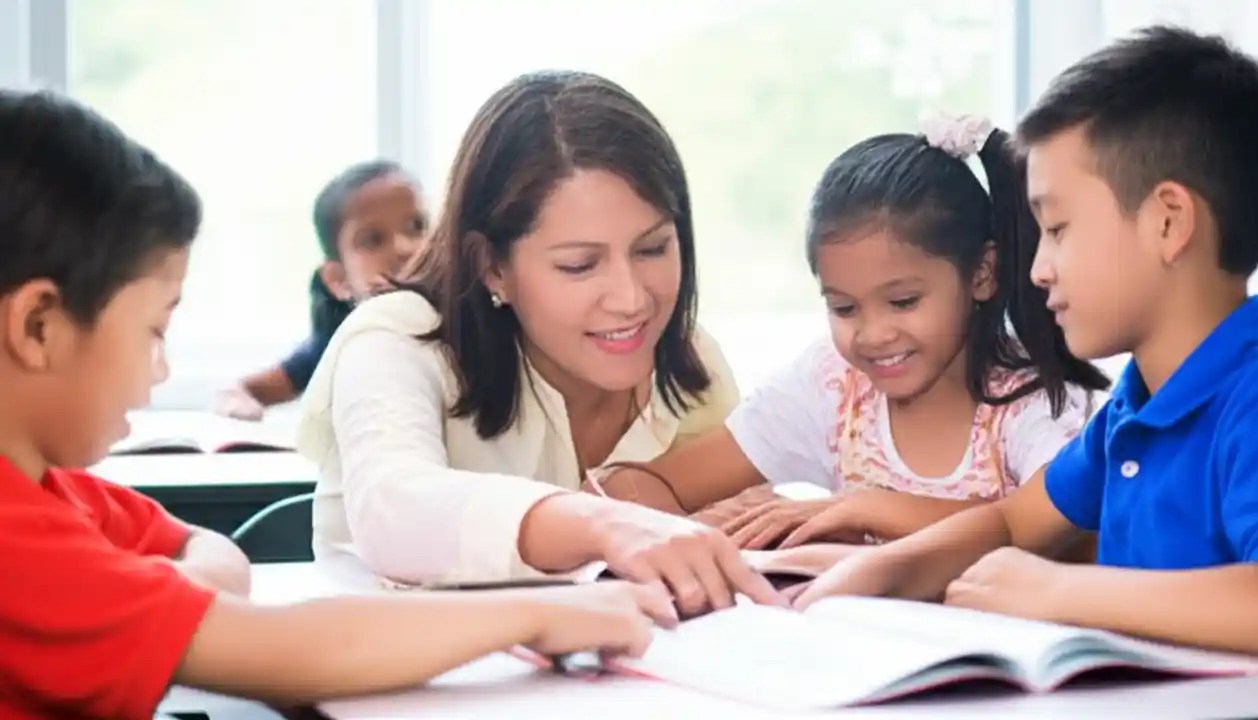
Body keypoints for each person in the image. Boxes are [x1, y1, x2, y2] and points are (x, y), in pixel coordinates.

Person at [0, 88, 672, 720]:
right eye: (153, 331)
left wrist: (185, 591)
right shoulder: (15, 538)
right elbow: (293, 648)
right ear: (38, 327)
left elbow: (214, 555)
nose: (162, 370)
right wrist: (537, 614)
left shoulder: (59, 494)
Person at [793, 26, 1258, 657]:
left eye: (1057, 228)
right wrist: (875, 574)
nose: (1038, 268)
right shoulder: (1131, 416)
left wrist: (1060, 591)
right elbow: (1012, 521)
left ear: (1167, 222)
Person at [296, 70, 786, 617]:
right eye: (579, 265)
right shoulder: (398, 338)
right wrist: (606, 525)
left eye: (652, 249)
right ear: (493, 268)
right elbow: (392, 510)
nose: (631, 300)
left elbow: (736, 526)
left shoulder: (690, 360)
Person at [586, 116, 1109, 553]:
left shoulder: (1034, 397)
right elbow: (631, 485)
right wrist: (705, 540)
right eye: (843, 307)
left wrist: (865, 508)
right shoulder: (833, 386)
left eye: (904, 301)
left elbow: (1046, 527)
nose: (874, 334)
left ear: (982, 274)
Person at [215, 161, 429, 420]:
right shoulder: (337, 348)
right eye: (373, 239)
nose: (405, 248)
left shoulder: (470, 325)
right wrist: (240, 410)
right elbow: (238, 391)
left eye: (417, 226)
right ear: (338, 279)